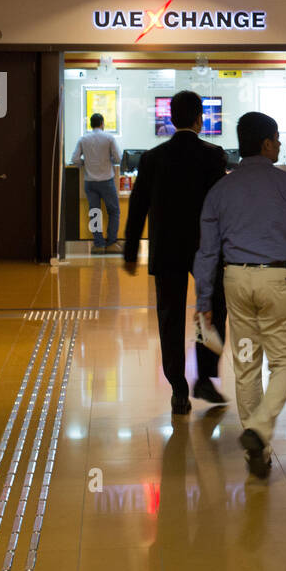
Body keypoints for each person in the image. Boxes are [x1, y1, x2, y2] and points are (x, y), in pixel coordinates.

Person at [192, 112, 286, 479]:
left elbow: (207, 252)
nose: (278, 144)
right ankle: (259, 431)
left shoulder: (219, 190)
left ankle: (258, 451)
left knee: (246, 365)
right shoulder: (285, 185)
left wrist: (204, 303)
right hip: (276, 280)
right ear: (266, 143)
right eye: (275, 138)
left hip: (235, 281)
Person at [123, 91, 229, 415]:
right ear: (200, 119)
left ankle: (178, 389)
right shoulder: (214, 156)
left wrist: (130, 250)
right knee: (211, 310)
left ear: (171, 119)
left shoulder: (152, 158)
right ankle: (206, 377)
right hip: (205, 248)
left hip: (166, 248)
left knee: (169, 316)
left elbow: (138, 206)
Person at [72, 112, 123, 253]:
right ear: (102, 123)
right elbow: (118, 158)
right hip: (106, 181)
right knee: (113, 211)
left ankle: (99, 244)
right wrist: (108, 161)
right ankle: (112, 243)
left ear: (91, 125)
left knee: (94, 212)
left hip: (90, 181)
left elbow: (75, 159)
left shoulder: (83, 139)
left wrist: (86, 163)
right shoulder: (109, 138)